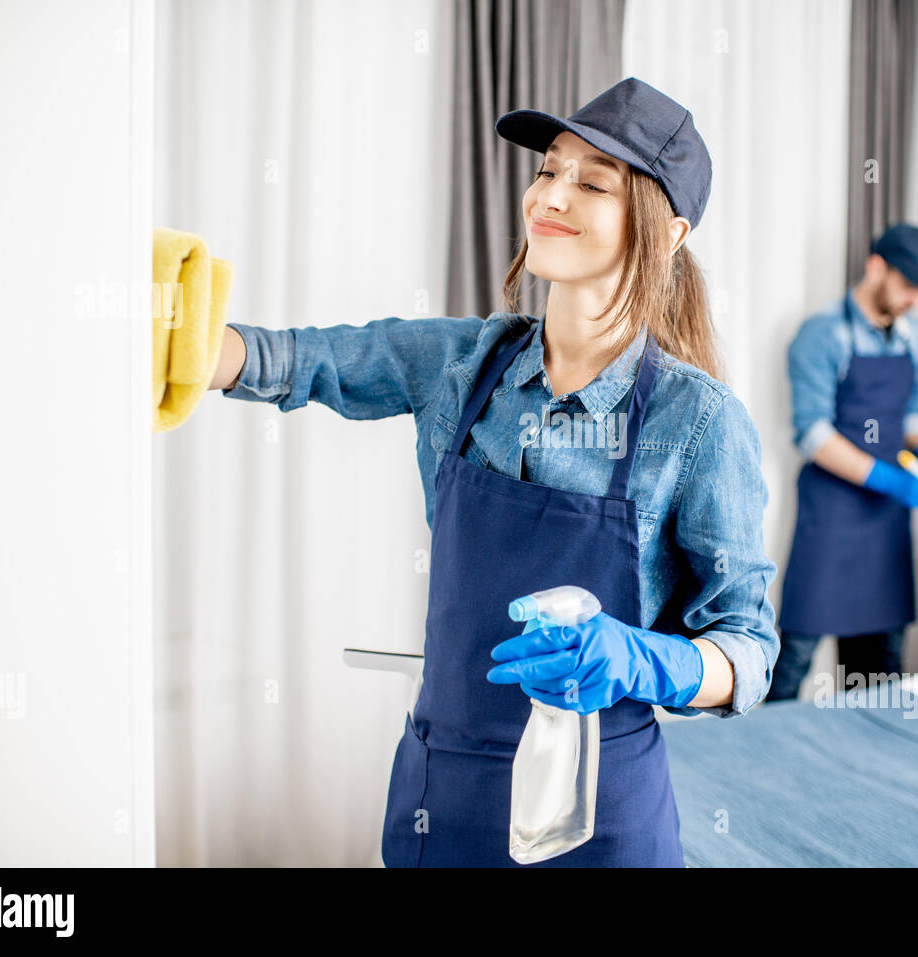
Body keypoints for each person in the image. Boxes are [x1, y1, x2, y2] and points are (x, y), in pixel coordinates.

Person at [210, 77, 779, 866]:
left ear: (668, 231)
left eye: (591, 182)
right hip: (441, 799)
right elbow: (301, 358)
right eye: (548, 170)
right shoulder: (459, 362)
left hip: (600, 818)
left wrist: (644, 659)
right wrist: (183, 344)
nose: (550, 195)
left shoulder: (699, 422)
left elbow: (748, 648)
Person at [768, 223, 918, 702]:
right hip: (833, 511)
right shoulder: (822, 334)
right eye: (909, 285)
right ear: (877, 268)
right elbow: (813, 434)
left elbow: (912, 412)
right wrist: (890, 478)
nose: (915, 300)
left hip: (886, 519)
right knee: (796, 657)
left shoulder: (912, 337)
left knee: (882, 670)